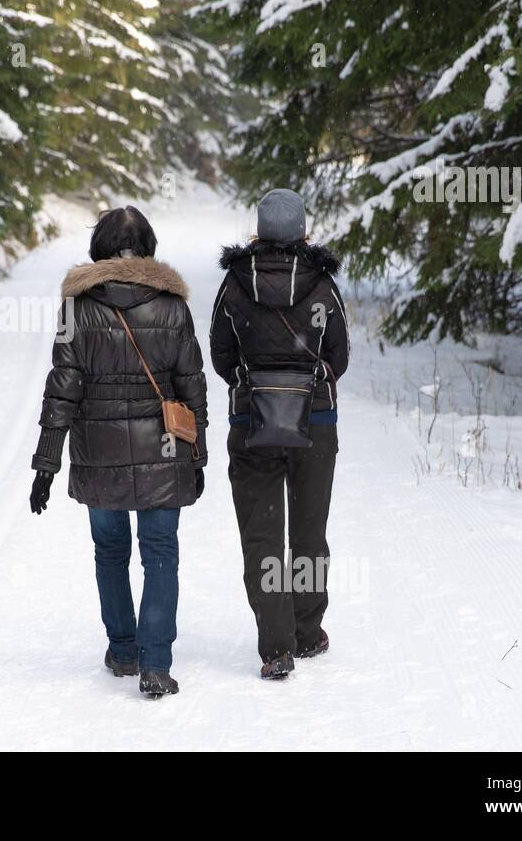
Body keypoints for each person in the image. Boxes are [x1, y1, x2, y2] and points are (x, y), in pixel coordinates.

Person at [28, 206, 207, 698]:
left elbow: (62, 388)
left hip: (97, 453)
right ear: (148, 247)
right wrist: (199, 454)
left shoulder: (76, 308)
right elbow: (193, 387)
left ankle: (124, 649)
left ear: (99, 249)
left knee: (110, 551)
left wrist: (47, 462)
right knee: (161, 554)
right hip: (164, 452)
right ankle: (156, 663)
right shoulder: (172, 307)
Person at [209, 189, 349, 680]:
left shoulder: (233, 286)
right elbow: (340, 359)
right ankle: (307, 634)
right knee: (309, 533)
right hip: (316, 424)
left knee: (262, 537)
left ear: (257, 233)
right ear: (304, 234)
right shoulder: (325, 286)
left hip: (252, 426)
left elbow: (222, 358)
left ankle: (276, 648)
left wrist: (255, 387)